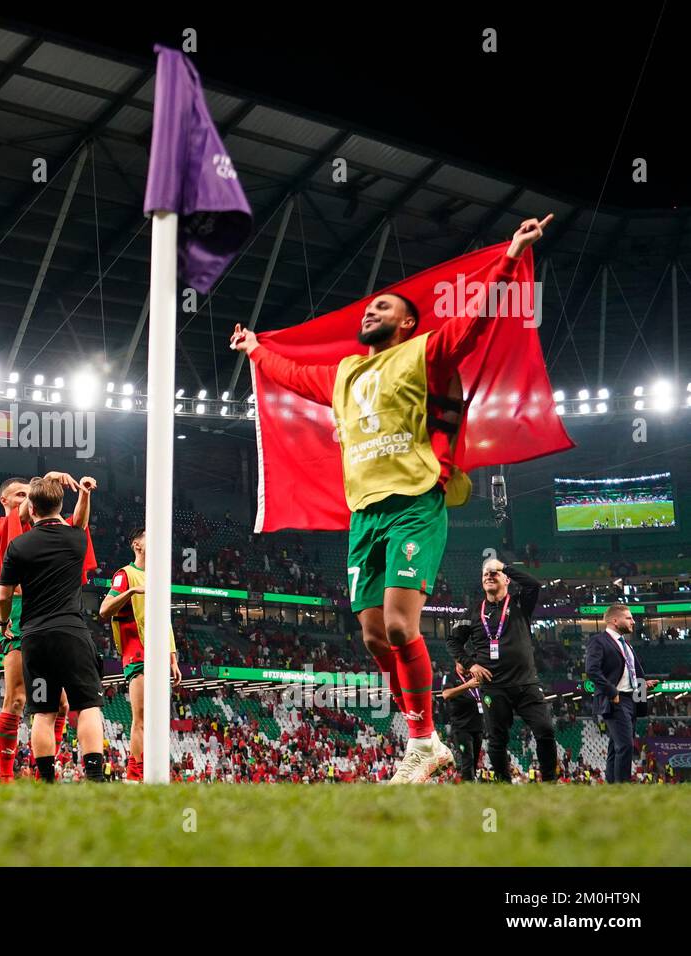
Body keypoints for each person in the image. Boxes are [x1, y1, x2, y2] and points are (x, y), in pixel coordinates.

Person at [229, 214, 553, 782]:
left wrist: (510, 257)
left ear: (407, 322)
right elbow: (294, 373)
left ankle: (424, 741)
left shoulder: (424, 351)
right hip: (365, 516)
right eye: (369, 307)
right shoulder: (347, 372)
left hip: (412, 503)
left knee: (403, 627)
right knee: (374, 634)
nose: (370, 311)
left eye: (384, 307)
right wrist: (256, 350)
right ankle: (421, 739)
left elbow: (474, 324)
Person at [0, 473, 95, 782]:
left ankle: (46, 772)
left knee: (60, 704)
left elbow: (76, 524)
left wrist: (76, 493)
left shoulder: (42, 537)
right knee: (17, 698)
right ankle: (4, 777)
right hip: (18, 612)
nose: (25, 500)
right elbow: (29, 510)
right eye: (20, 495)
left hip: (45, 613)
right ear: (5, 500)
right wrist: (42, 484)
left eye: (28, 496)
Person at [448, 558, 556, 782]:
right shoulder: (473, 612)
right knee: (497, 739)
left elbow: (534, 585)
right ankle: (503, 783)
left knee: (545, 730)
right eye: (485, 574)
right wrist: (471, 664)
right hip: (494, 686)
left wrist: (503, 566)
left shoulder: (519, 604)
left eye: (494, 573)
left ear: (507, 579)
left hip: (526, 683)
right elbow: (453, 642)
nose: (489, 576)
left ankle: (550, 781)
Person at [98, 527, 182, 782]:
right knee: (142, 718)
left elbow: (164, 620)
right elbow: (104, 610)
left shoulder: (158, 577)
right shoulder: (126, 575)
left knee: (156, 720)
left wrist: (173, 658)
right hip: (137, 653)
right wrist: (132, 592)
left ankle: (150, 774)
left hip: (158, 654)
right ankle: (135, 775)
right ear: (137, 545)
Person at [584, 605, 657, 784]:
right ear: (615, 621)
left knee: (615, 747)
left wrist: (642, 685)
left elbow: (628, 672)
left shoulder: (626, 644)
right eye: (629, 618)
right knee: (625, 746)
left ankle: (613, 787)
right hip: (615, 699)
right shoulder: (599, 641)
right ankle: (623, 787)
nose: (633, 621)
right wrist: (612, 691)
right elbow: (592, 670)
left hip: (631, 699)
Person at [439, 668, 485, 783]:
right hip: (461, 726)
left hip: (478, 725)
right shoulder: (450, 677)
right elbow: (446, 694)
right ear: (457, 661)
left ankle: (469, 785)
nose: (466, 665)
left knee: (473, 759)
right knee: (467, 757)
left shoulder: (474, 675)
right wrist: (467, 685)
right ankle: (468, 785)